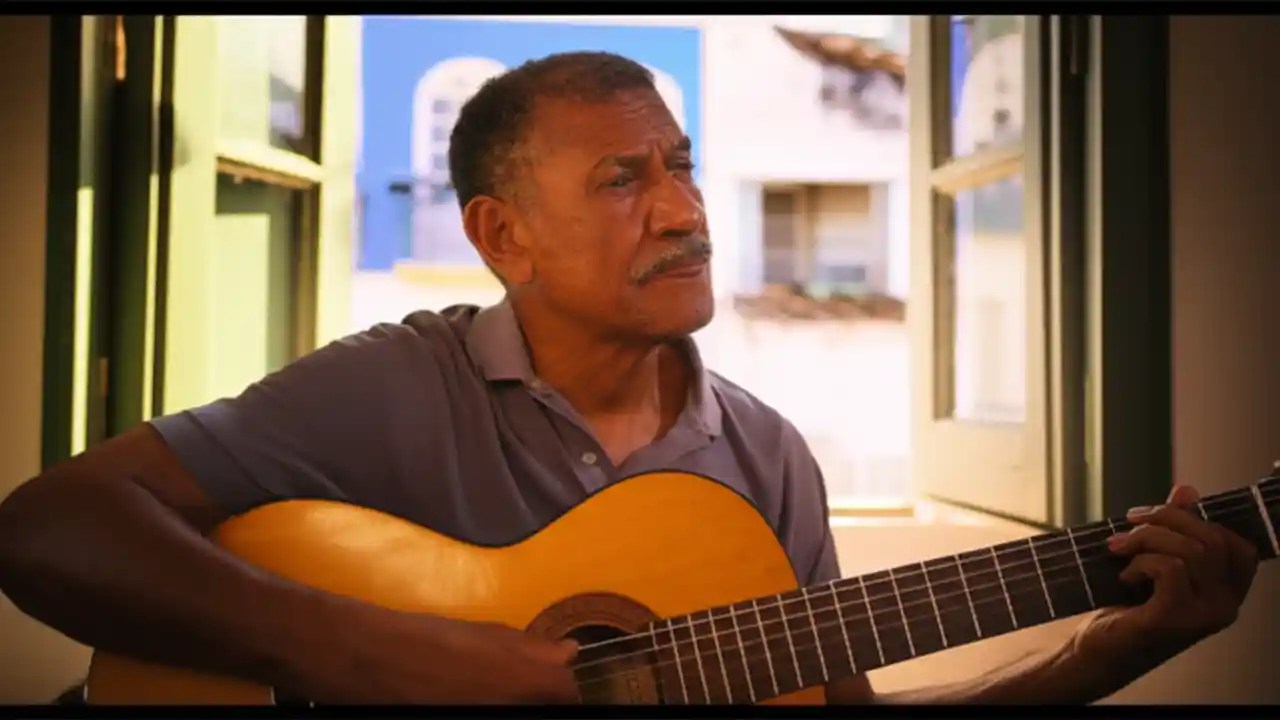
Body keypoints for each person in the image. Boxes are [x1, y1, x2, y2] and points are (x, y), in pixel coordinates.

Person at [0, 51, 1260, 705]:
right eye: (622, 179)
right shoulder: (391, 388)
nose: (684, 210)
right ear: (504, 238)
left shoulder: (763, 459)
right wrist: (397, 664)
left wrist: (1121, 648)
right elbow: (52, 526)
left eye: (682, 164)